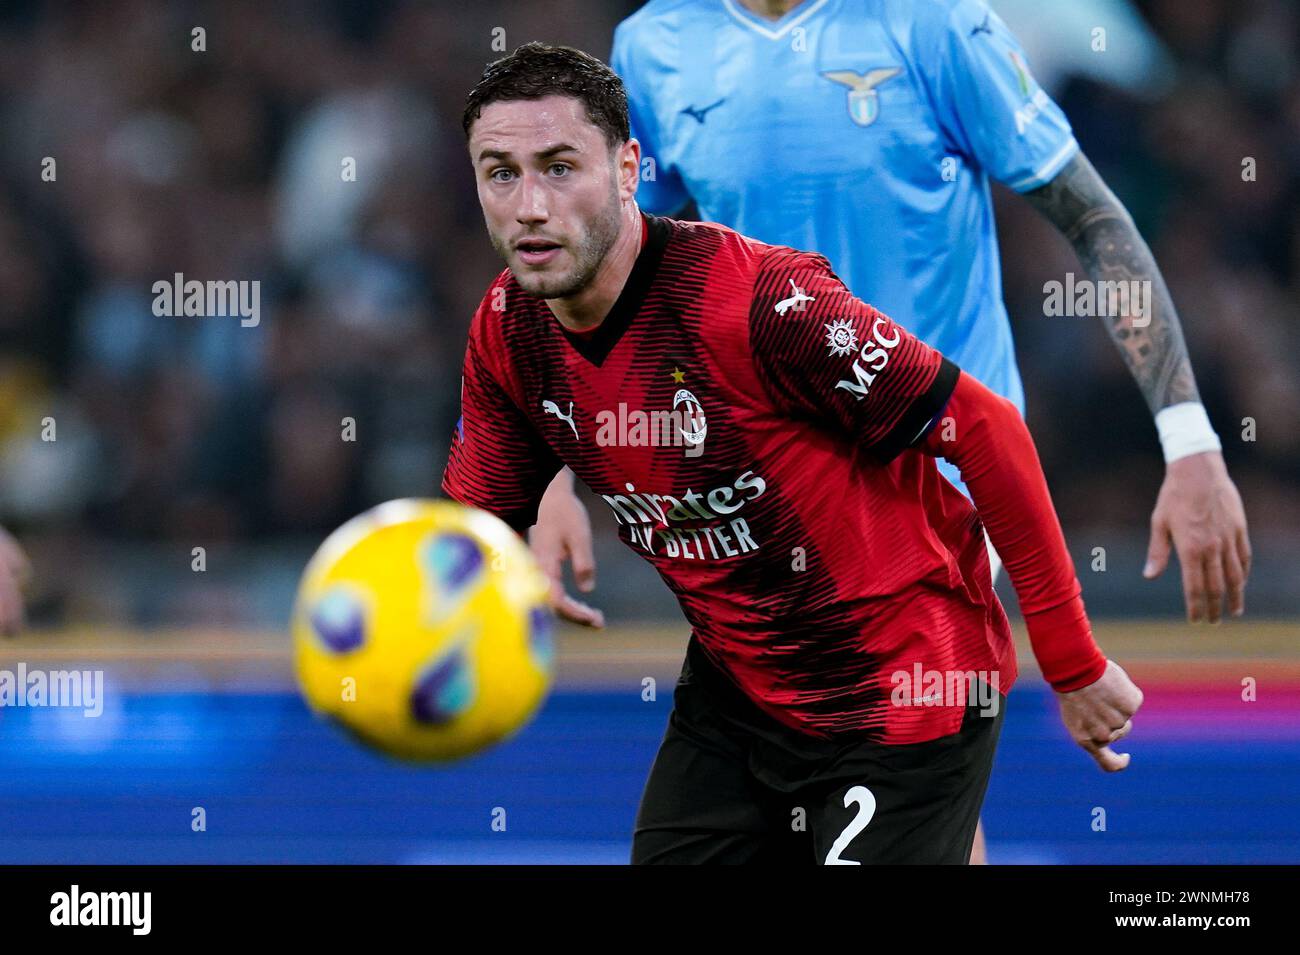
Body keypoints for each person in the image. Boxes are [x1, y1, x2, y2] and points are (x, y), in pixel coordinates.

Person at [442, 42, 1143, 864]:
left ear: (630, 169)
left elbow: (983, 428)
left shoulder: (759, 302)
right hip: (740, 693)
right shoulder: (507, 330)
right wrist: (476, 594)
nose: (529, 205)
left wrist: (1071, 660)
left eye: (560, 168)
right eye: (501, 173)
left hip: (906, 684)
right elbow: (475, 527)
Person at [609, 0, 1251, 862]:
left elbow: (1093, 221)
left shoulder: (934, 25)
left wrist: (1190, 438)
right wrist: (545, 479)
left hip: (940, 473)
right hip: (772, 501)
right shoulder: (654, 45)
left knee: (885, 767)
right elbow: (616, 272)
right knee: (871, 810)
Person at [0, 525, 29, 636]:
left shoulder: (3, 538)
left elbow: (21, 567)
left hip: (7, 586)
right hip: (8, 585)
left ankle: (9, 628)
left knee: (9, 617)